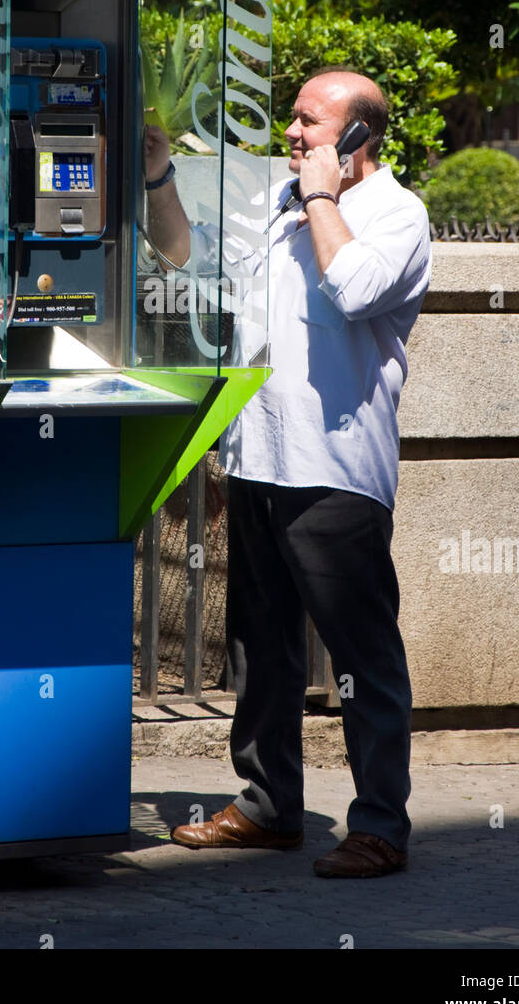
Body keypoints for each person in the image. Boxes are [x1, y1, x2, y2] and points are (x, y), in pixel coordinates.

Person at [143, 69, 432, 878]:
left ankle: (378, 825)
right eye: (293, 120)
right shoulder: (278, 208)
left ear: (357, 138)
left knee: (360, 657)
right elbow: (185, 254)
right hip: (258, 462)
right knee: (258, 650)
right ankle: (268, 807)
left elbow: (353, 290)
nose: (294, 133)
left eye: (311, 123)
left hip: (335, 472)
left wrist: (319, 199)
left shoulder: (393, 215)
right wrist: (159, 173)